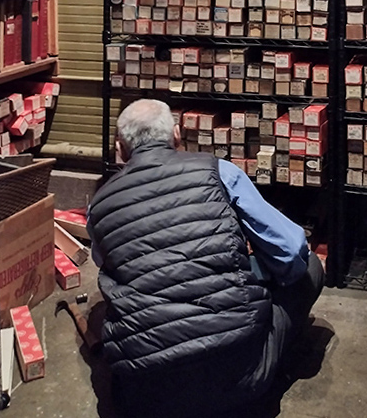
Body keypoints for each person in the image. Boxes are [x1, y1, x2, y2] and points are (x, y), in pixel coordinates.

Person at [87, 98, 326, 418]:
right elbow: (291, 248)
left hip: (144, 400)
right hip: (239, 379)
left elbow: (109, 263)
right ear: (176, 134)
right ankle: (267, 378)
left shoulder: (99, 205)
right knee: (309, 267)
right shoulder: (218, 171)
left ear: (120, 149)